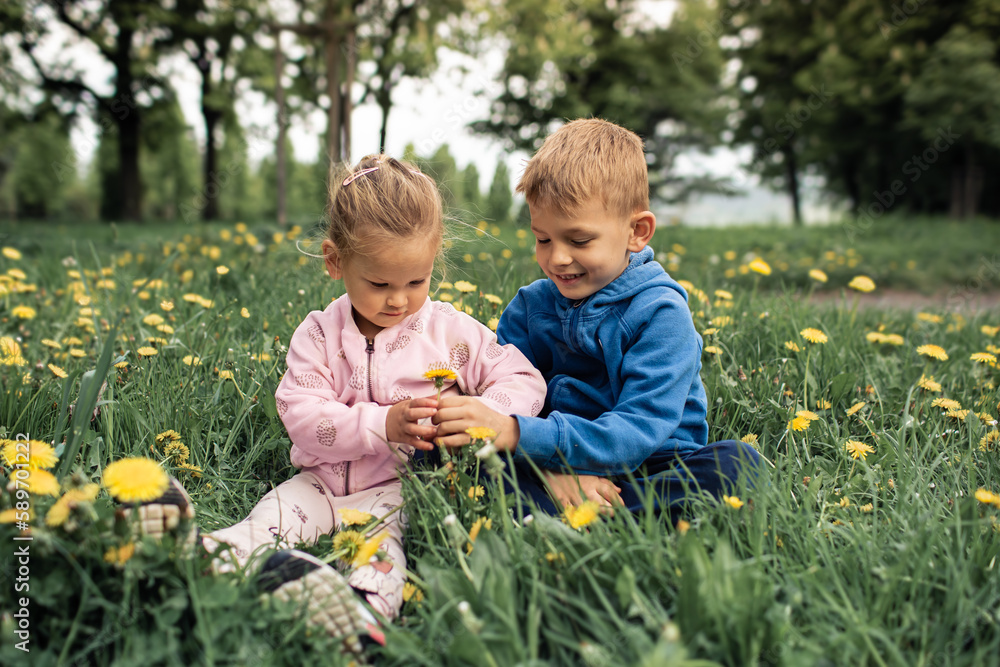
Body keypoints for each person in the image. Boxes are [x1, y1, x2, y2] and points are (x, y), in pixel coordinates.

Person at [135, 154, 547, 652]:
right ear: (335, 261)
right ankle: (196, 551)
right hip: (318, 482)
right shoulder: (318, 335)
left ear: (434, 258)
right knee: (269, 521)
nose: (398, 300)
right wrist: (382, 424)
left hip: (394, 493)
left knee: (382, 551)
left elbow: (522, 375)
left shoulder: (451, 333)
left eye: (416, 281)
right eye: (379, 284)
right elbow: (302, 416)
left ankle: (361, 615)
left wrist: (489, 413)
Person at [431, 118, 762, 516]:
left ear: (637, 231)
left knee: (738, 466)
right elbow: (507, 400)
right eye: (543, 239)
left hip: (651, 465)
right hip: (542, 460)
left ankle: (583, 512)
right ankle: (570, 506)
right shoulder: (529, 309)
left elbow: (638, 430)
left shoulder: (661, 314)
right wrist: (551, 467)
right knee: (441, 448)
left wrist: (523, 437)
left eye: (579, 240)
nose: (557, 258)